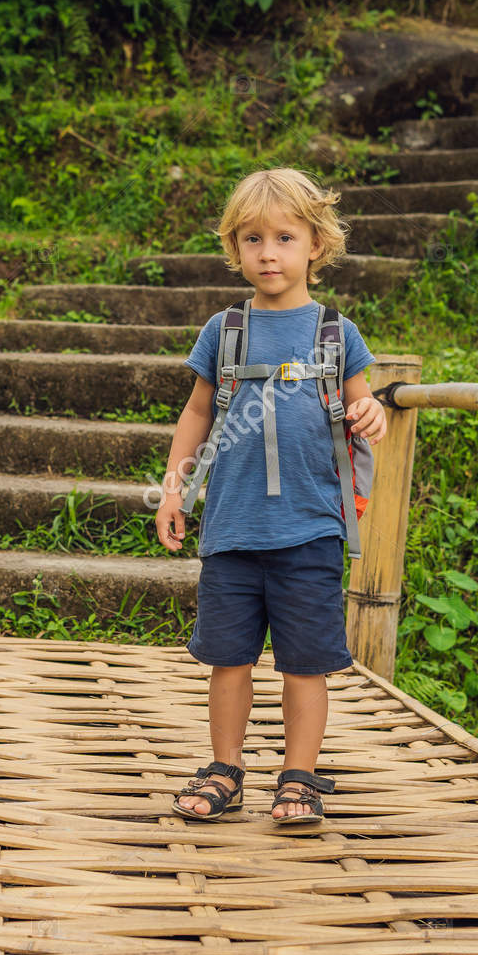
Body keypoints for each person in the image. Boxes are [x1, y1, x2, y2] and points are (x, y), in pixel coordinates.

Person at [155, 167, 387, 825]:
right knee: (227, 658)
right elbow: (197, 414)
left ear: (315, 243)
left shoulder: (336, 334)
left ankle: (300, 774)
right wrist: (175, 489)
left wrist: (373, 416)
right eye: (252, 239)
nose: (268, 252)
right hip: (232, 526)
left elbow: (363, 405)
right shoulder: (224, 331)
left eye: (284, 237)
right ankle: (226, 766)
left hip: (311, 527)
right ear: (234, 249)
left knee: (304, 661)